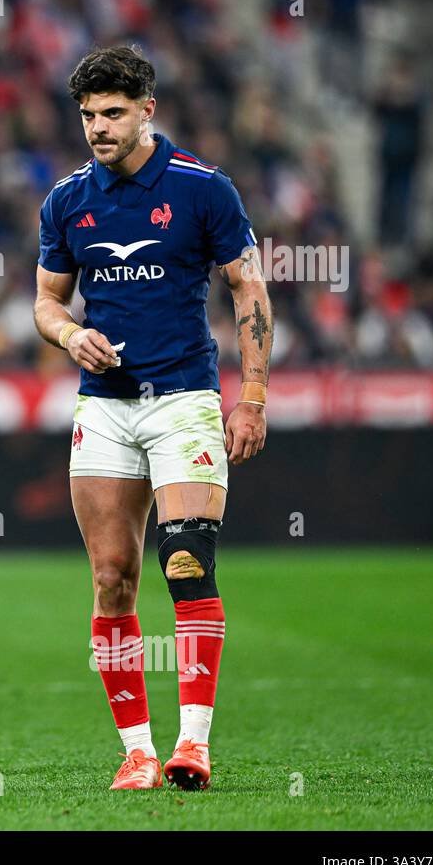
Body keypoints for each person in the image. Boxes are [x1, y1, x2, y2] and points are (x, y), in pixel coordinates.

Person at [33, 45, 272, 790]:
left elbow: (249, 291)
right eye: (87, 116)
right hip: (104, 410)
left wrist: (253, 394)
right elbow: (45, 301)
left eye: (112, 113)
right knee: (112, 580)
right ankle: (136, 750)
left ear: (147, 110)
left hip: (184, 403)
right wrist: (72, 334)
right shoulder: (67, 201)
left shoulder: (204, 190)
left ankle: (191, 745)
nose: (98, 128)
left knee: (187, 564)